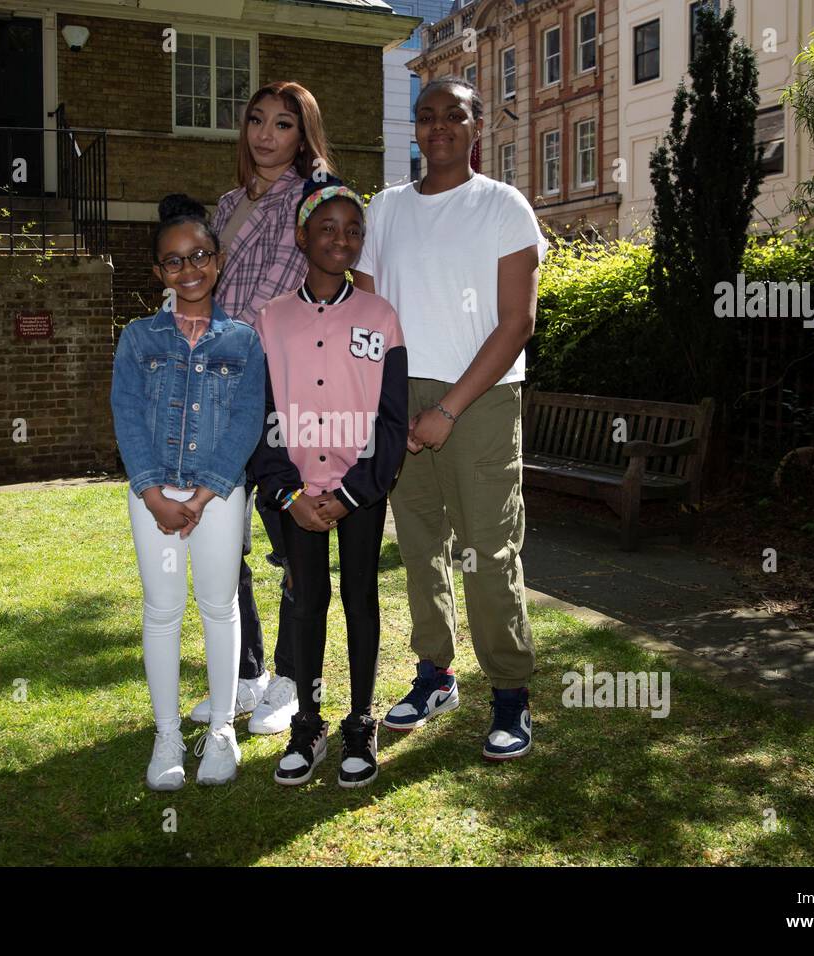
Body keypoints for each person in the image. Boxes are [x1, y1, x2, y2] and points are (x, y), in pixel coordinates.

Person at [353, 77, 549, 761]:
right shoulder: (385, 208)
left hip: (480, 398)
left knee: (489, 553)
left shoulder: (502, 206)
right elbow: (371, 313)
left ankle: (510, 691)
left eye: (453, 117)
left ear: (476, 127)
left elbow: (517, 321)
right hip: (400, 395)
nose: (439, 127)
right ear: (415, 128)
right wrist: (383, 401)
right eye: (427, 116)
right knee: (418, 546)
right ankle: (435, 674)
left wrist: (447, 408)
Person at [188, 81, 340, 735]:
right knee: (220, 543)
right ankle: (245, 674)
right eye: (256, 120)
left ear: (302, 138)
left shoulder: (316, 200)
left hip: (284, 390)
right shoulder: (226, 204)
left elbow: (283, 294)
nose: (264, 134)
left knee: (293, 542)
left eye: (282, 125)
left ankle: (293, 678)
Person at [251, 182, 408, 787]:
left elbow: (391, 419)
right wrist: (289, 493)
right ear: (302, 237)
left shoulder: (380, 316)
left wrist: (350, 493)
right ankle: (309, 722)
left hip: (359, 492)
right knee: (307, 602)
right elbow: (260, 414)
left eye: (352, 230)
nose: (341, 238)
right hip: (296, 495)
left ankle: (360, 721)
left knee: (360, 601)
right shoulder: (271, 319)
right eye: (327, 227)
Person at [110, 194, 265, 790]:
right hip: (153, 494)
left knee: (220, 607)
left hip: (218, 496)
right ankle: (168, 734)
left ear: (218, 260)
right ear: (159, 273)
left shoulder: (243, 342)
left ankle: (222, 728)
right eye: (174, 262)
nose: (189, 269)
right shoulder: (138, 339)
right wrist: (154, 494)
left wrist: (201, 498)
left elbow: (247, 421)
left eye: (200, 255)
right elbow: (126, 416)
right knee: (162, 611)